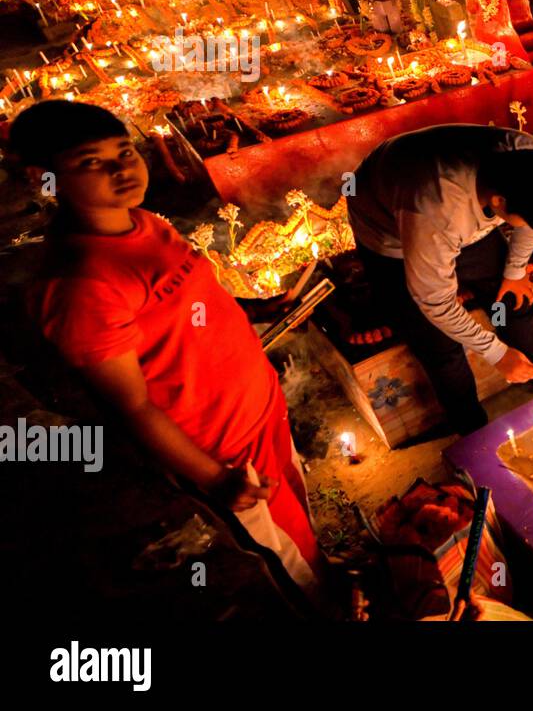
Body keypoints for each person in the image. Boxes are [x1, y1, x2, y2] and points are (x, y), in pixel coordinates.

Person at [15, 101, 322, 590]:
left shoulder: (144, 223)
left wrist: (251, 311)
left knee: (300, 521)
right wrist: (216, 479)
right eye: (91, 161)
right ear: (43, 178)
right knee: (288, 562)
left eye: (124, 150)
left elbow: (193, 298)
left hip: (261, 408)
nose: (122, 169)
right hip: (223, 450)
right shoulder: (79, 284)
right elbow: (131, 407)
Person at [346, 125, 533, 434]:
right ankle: (473, 431)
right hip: (389, 232)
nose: (530, 227)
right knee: (439, 344)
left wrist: (515, 270)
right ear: (499, 202)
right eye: (526, 220)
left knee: (512, 302)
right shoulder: (435, 211)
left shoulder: (529, 156)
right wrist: (496, 353)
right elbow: (436, 302)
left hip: (455, 209)